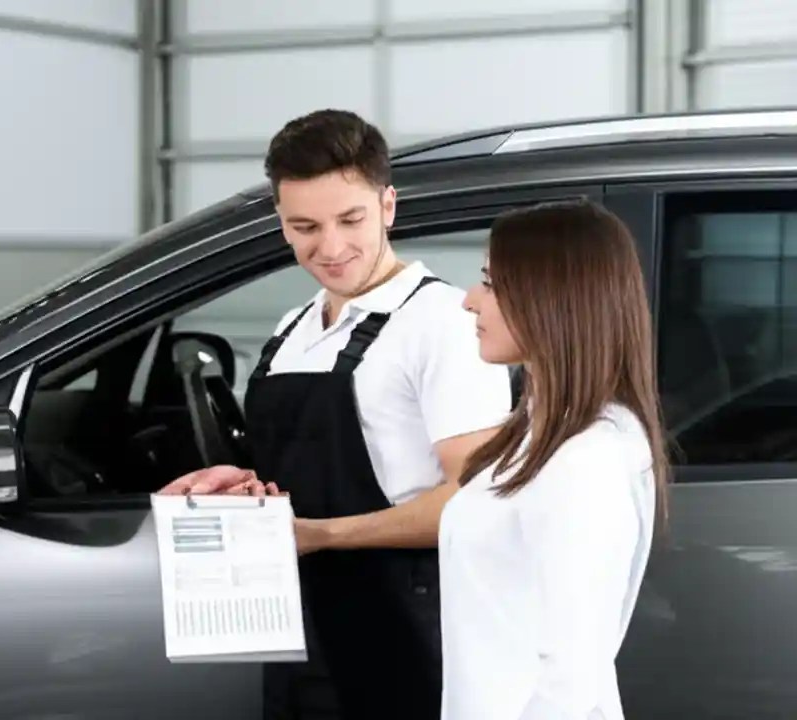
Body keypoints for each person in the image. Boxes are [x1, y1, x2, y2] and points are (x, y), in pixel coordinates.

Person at [162, 109, 513, 719]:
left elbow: (476, 500)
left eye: (350, 219)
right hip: (302, 624)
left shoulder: (442, 326)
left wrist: (318, 535)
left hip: (406, 628)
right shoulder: (290, 330)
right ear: (281, 221)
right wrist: (241, 489)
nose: (330, 247)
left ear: (387, 206)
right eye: (305, 226)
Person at [440, 199, 670, 719]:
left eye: (491, 284)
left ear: (552, 299)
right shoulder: (541, 432)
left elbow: (573, 673)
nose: (470, 301)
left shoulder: (587, 457)